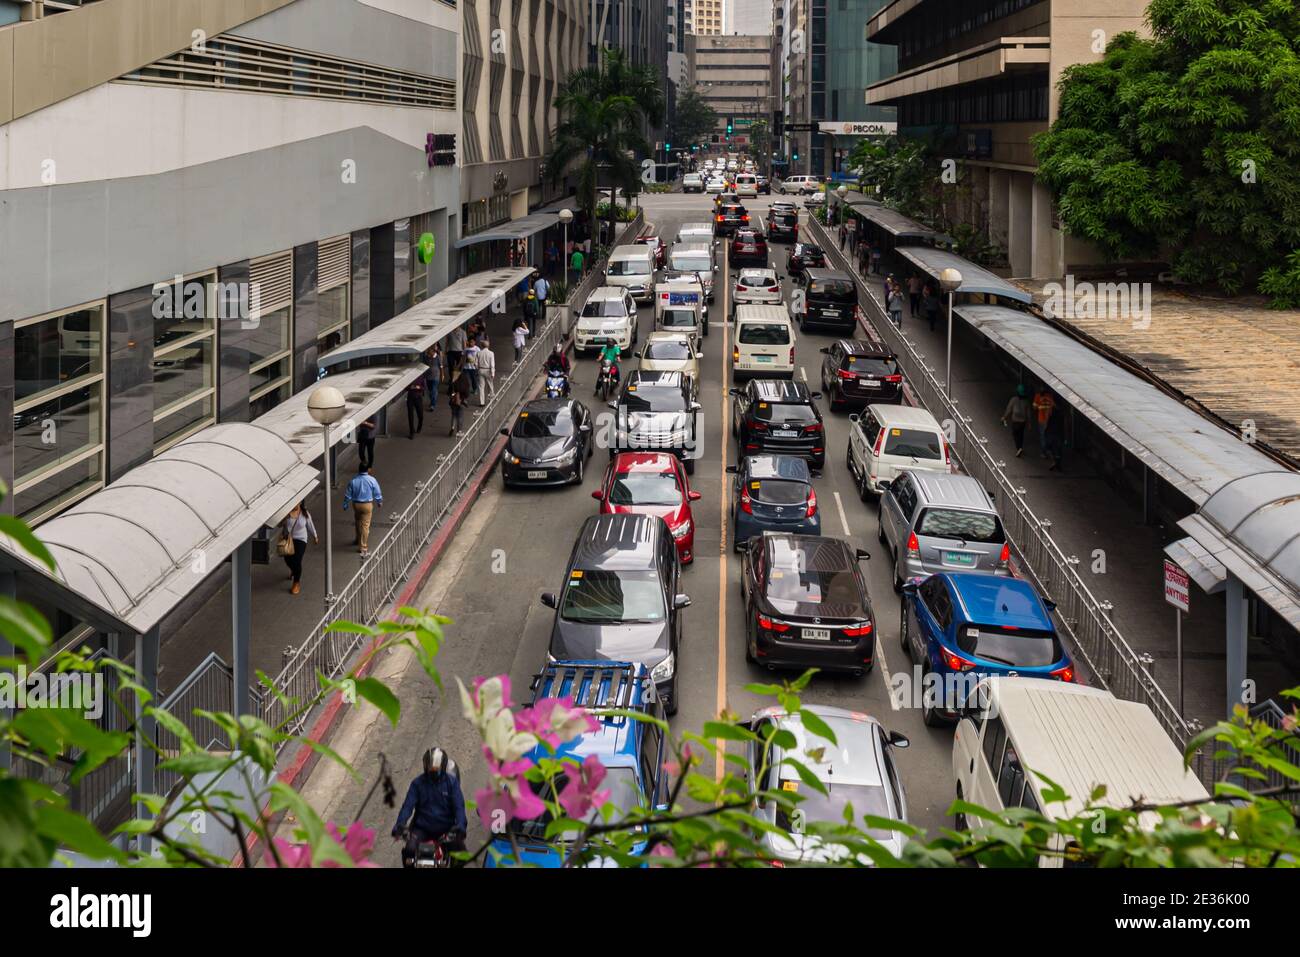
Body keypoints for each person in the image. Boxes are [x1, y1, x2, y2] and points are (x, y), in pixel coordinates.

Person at [392, 747, 467, 868]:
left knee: (461, 856)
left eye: (436, 771)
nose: (433, 774)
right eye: (430, 770)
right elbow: (407, 806)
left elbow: (459, 807)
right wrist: (400, 825)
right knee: (409, 851)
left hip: (446, 830)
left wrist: (460, 827)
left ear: (442, 768)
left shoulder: (451, 783)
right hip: (422, 829)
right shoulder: (417, 784)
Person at [342, 465, 382, 557]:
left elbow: (348, 494)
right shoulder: (372, 480)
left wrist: (345, 504)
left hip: (356, 504)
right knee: (365, 525)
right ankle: (363, 546)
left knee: (358, 522)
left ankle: (357, 539)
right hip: (367, 505)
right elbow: (377, 492)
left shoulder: (353, 481)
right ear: (368, 469)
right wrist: (379, 501)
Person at [280, 501, 318, 596]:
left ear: (300, 503)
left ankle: (296, 583)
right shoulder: (287, 513)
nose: (296, 504)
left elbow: (310, 525)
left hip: (301, 539)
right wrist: (284, 519)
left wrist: (315, 536)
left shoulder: (305, 513)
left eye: (298, 502)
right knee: (287, 559)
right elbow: (278, 525)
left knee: (297, 560)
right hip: (289, 539)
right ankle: (294, 570)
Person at [1001, 384, 1031, 457]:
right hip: (1022, 422)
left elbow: (1009, 410)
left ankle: (1018, 448)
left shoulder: (1014, 399)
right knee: (1021, 435)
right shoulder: (1026, 402)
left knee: (1015, 434)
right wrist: (1029, 423)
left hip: (1015, 421)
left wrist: (1004, 417)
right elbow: (1028, 413)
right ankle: (1020, 447)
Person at [1033, 387, 1056, 458]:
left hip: (1042, 419)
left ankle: (1044, 452)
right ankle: (1050, 451)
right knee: (1049, 436)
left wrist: (1040, 403)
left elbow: (1034, 407)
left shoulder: (1037, 396)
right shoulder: (1050, 396)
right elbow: (1054, 405)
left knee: (1043, 436)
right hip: (1049, 420)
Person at [449, 362, 472, 435]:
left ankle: (452, 427)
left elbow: (449, 390)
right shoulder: (464, 379)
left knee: (453, 415)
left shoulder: (453, 379)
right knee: (460, 416)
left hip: (453, 400)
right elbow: (467, 391)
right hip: (461, 400)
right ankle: (459, 431)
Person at [474, 337, 497, 405]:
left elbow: (475, 363)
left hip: (481, 370)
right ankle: (491, 399)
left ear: (482, 346)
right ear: (488, 346)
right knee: (490, 385)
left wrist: (477, 369)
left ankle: (482, 402)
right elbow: (492, 364)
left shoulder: (479, 353)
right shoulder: (491, 353)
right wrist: (493, 373)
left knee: (481, 387)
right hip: (488, 370)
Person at [1044, 405, 1066, 472]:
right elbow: (1064, 426)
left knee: (1047, 448)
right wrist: (1064, 437)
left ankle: (1054, 461)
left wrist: (1045, 430)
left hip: (1051, 433)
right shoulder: (1062, 415)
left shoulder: (1051, 412)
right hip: (1059, 434)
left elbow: (1047, 421)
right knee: (1059, 450)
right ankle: (1058, 465)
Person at [423, 344, 442, 411]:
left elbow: (441, 366)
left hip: (436, 376)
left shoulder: (437, 357)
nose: (429, 352)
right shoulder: (426, 357)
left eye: (430, 351)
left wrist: (442, 375)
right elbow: (424, 366)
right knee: (430, 390)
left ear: (433, 351)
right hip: (428, 376)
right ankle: (433, 399)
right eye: (428, 351)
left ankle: (432, 404)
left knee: (433, 389)